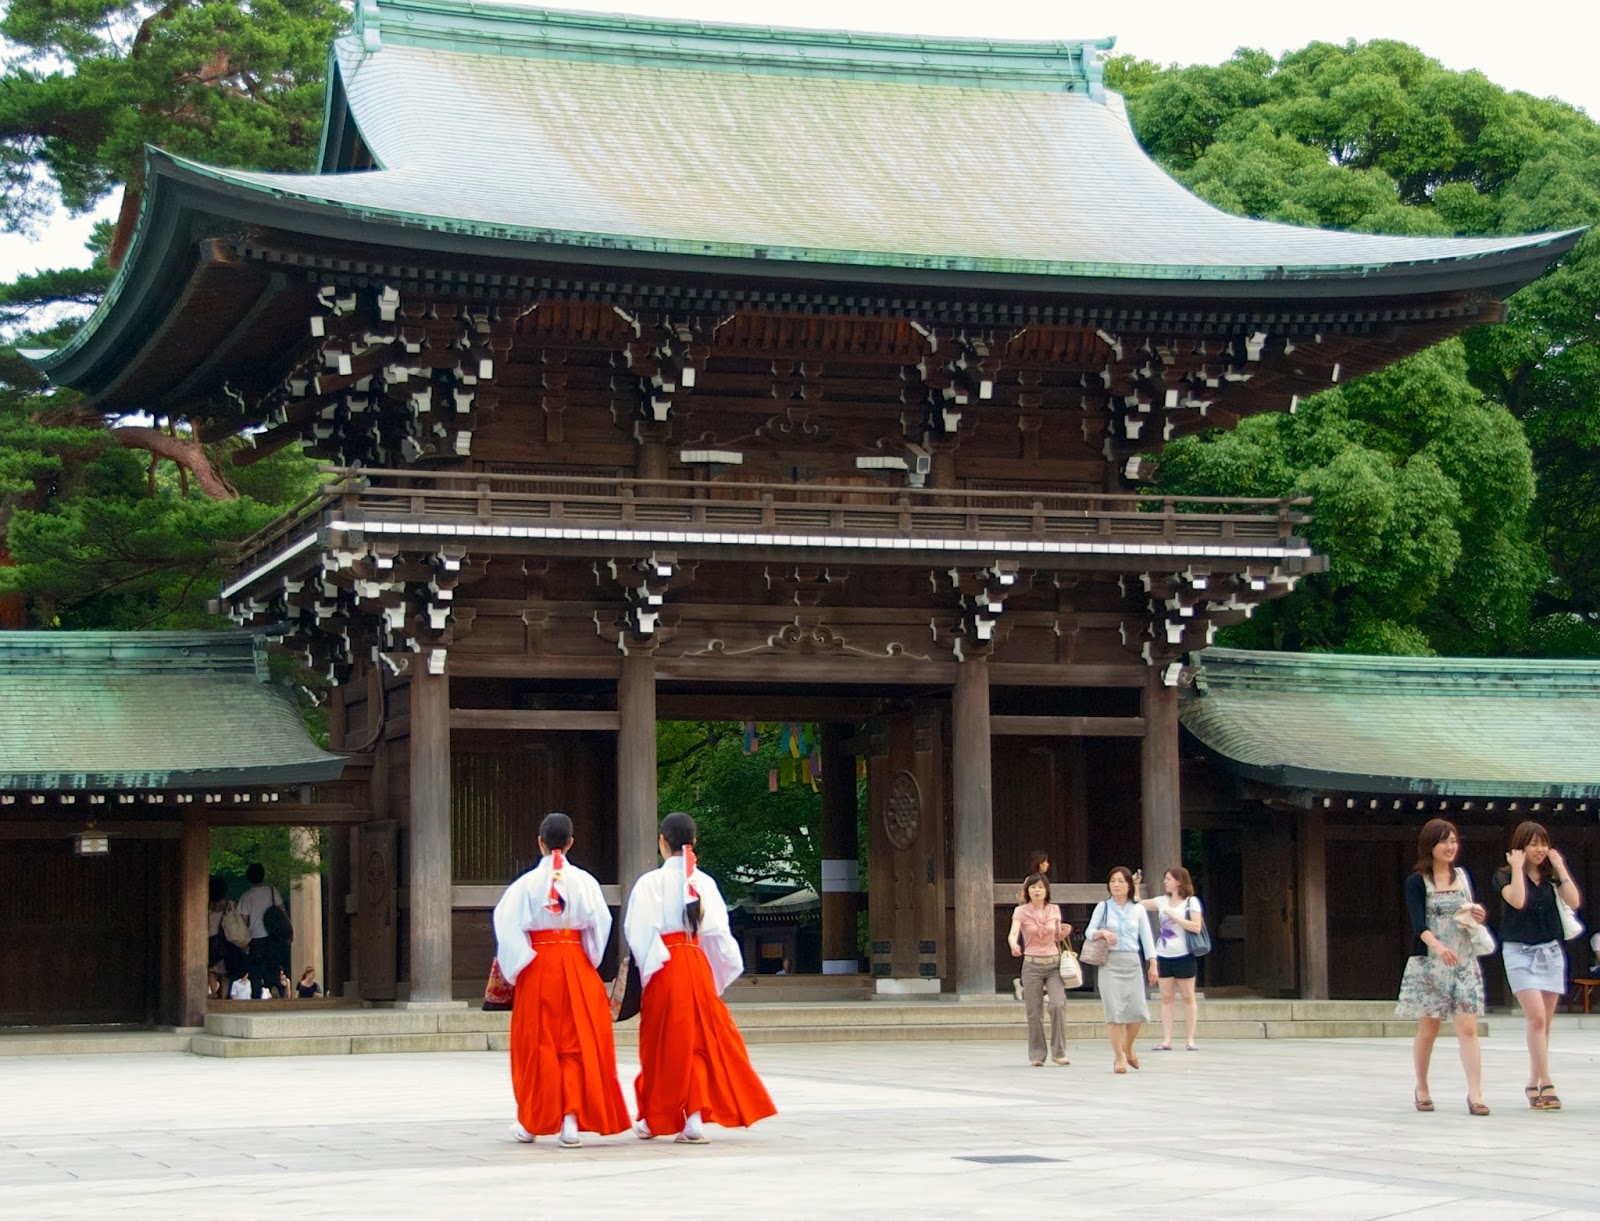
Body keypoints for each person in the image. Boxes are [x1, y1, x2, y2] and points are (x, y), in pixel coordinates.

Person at [624, 812, 777, 1144]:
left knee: (661, 1044)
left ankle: (655, 1116)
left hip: (664, 965)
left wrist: (649, 972)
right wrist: (716, 978)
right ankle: (693, 1118)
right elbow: (720, 936)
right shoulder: (704, 883)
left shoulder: (650, 883)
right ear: (694, 843)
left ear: (662, 842)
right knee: (697, 1043)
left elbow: (639, 933)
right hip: (697, 964)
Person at [493, 811, 631, 1148]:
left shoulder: (524, 885)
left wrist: (521, 964)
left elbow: (506, 927)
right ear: (570, 843)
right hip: (576, 962)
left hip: (538, 964)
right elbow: (601, 923)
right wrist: (590, 957)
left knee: (539, 1045)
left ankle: (532, 1121)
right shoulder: (584, 881)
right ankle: (570, 1121)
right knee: (575, 1044)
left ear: (539, 842)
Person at [1395, 819, 1489, 1115]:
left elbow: (1472, 914)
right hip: (1431, 963)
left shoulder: (1462, 876)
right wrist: (1437, 946)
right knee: (1429, 1028)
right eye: (1444, 842)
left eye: (1454, 841)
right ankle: (1421, 1085)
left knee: (1468, 1027)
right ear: (1430, 846)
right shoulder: (1416, 881)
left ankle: (1475, 1094)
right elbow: (1418, 924)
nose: (1451, 847)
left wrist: (1479, 913)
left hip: (1463, 960)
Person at [1494, 820, 1582, 1111]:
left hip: (1551, 952)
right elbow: (1518, 901)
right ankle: (1547, 1081)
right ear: (1520, 846)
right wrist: (1518, 869)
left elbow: (1574, 900)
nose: (1540, 849)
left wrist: (1561, 868)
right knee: (1536, 1019)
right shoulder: (1504, 876)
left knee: (1545, 1023)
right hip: (1519, 953)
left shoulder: (1551, 877)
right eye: (1533, 843)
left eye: (1543, 843)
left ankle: (1533, 1082)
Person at [1084, 865, 1156, 1073]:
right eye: (1113, 881)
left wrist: (1153, 962)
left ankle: (1128, 1047)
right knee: (1113, 1012)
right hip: (1110, 963)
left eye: (1120, 881)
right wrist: (1102, 934)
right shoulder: (1103, 907)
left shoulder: (1138, 909)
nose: (1116, 885)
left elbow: (1147, 937)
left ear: (1129, 885)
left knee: (1137, 1011)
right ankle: (1118, 1057)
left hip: (1132, 961)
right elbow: (1089, 931)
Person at [1007, 871, 1072, 1066]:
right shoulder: (1021, 911)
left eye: (1041, 887)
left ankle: (1059, 1052)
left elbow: (1058, 936)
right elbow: (1013, 934)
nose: (1037, 890)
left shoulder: (1054, 910)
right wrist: (1014, 945)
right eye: (1033, 887)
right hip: (1031, 963)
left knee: (1057, 1005)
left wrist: (1063, 932)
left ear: (1046, 890)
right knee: (1033, 1011)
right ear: (1028, 890)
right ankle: (1037, 1054)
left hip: (1054, 963)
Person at [1139, 865, 1204, 1051]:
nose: (1165, 882)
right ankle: (1167, 1039)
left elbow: (1196, 927)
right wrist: (1135, 886)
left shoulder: (1191, 902)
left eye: (1168, 879)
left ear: (1178, 881)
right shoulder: (1161, 901)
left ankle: (1190, 1039)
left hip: (1184, 954)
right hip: (1163, 954)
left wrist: (1174, 916)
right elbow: (1138, 903)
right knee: (1166, 997)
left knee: (1187, 996)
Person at [236, 864, 288, 999]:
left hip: (255, 937)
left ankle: (256, 993)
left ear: (248, 878)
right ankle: (274, 986)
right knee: (273, 964)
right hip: (273, 935)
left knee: (255, 967)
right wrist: (288, 931)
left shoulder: (246, 897)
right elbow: (282, 911)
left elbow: (243, 921)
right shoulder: (272, 891)